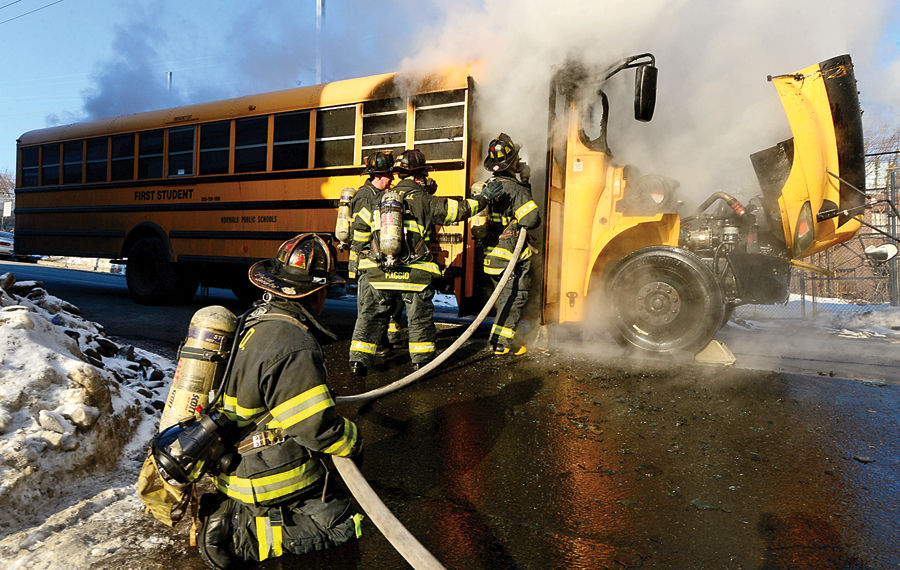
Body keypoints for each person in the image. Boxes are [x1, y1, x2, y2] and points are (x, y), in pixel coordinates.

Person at [198, 233, 363, 568]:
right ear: (317, 293)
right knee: (345, 521)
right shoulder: (294, 343)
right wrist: (353, 440)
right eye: (326, 291)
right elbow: (315, 429)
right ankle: (242, 533)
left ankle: (232, 510)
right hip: (258, 477)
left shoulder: (256, 317)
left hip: (229, 458)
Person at [348, 149, 488, 376]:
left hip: (378, 273)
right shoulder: (424, 200)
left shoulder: (379, 198)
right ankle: (421, 363)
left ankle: (358, 362)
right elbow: (459, 211)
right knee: (419, 319)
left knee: (369, 317)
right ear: (419, 175)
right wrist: (484, 199)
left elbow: (361, 230)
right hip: (413, 275)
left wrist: (361, 260)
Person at [478, 133, 541, 356]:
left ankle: (496, 340)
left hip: (492, 255)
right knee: (514, 298)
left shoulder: (490, 184)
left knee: (503, 298)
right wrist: (525, 186)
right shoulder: (515, 189)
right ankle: (502, 345)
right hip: (510, 255)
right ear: (512, 162)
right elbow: (532, 220)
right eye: (517, 159)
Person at [348, 152, 407, 363]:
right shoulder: (365, 195)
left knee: (382, 302)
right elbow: (362, 231)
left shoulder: (376, 193)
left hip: (375, 258)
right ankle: (369, 352)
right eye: (389, 176)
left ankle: (382, 343)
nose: (392, 179)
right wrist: (368, 254)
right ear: (379, 175)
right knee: (368, 306)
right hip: (367, 259)